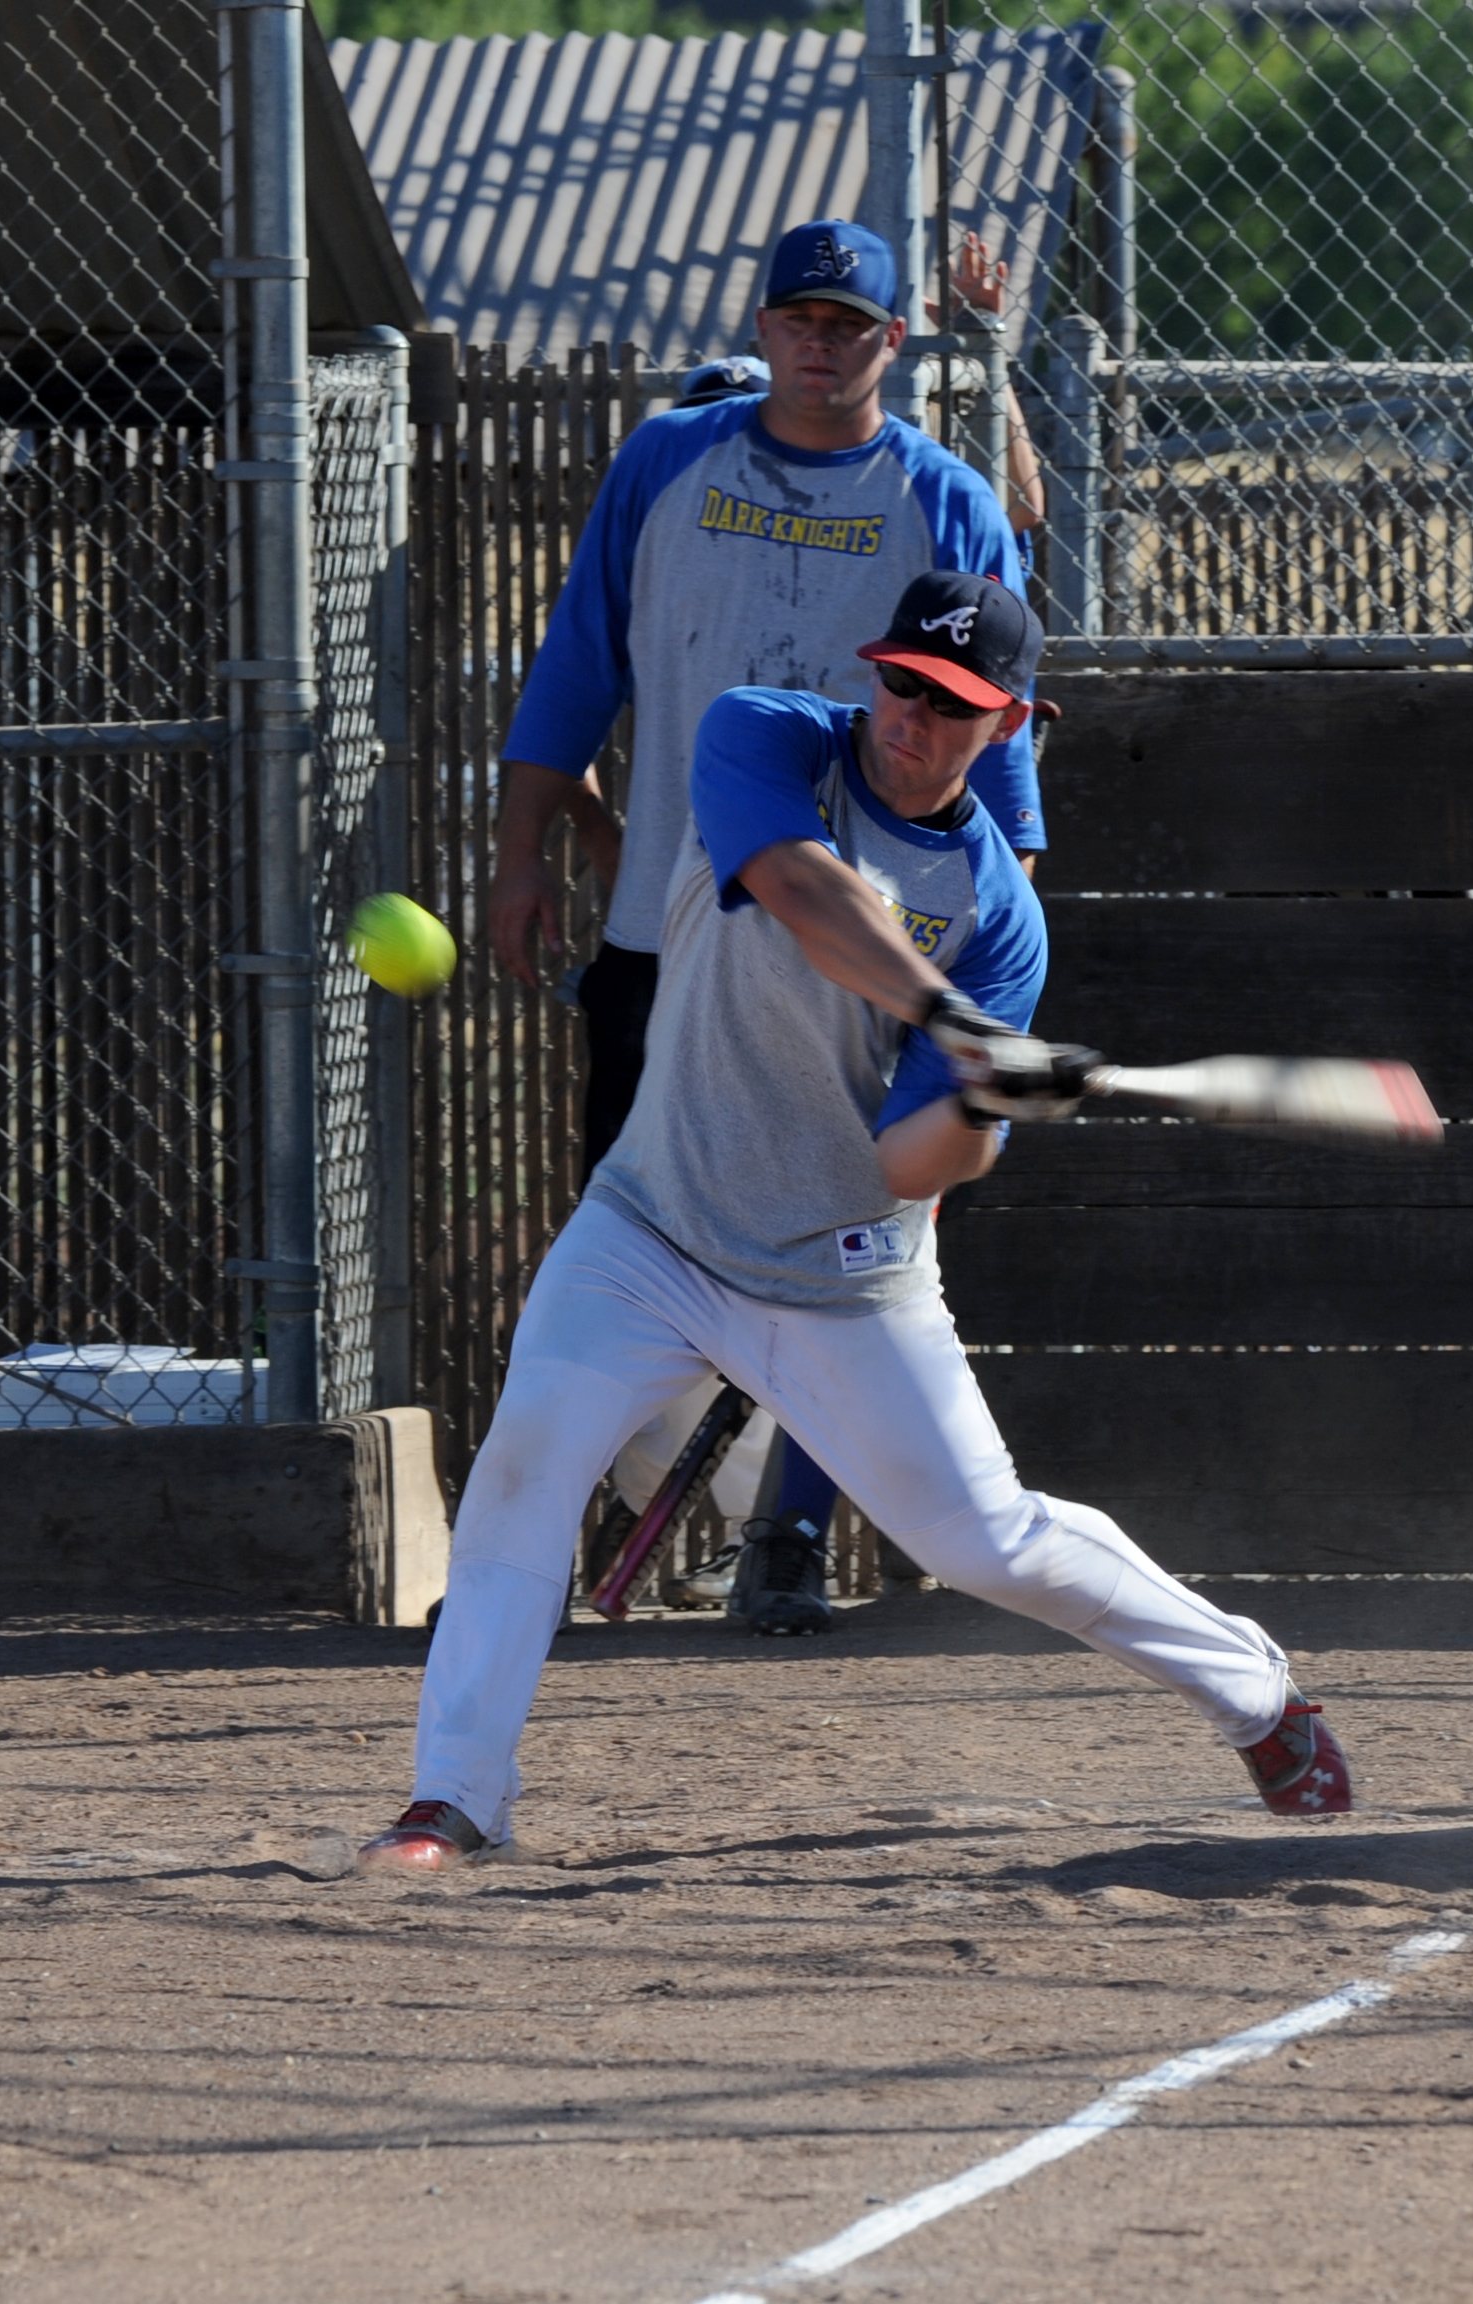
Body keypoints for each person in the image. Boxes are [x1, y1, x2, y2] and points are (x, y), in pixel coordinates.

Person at [357, 570, 1350, 1872]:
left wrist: (990, 1109)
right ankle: (455, 1799)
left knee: (983, 1541)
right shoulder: (760, 734)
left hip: (837, 1274)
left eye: (952, 704)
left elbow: (904, 1165)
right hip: (651, 1224)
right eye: (901, 682)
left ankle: (1260, 1700)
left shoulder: (1000, 919)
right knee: (525, 1465)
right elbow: (799, 889)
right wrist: (951, 1021)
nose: (912, 718)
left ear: (1009, 724)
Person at [489, 218, 1041, 1636]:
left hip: (867, 964)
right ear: (766, 322)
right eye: (796, 317)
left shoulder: (942, 495)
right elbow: (575, 663)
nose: (817, 341)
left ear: (887, 342)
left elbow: (1001, 752)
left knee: (861, 1233)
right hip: (665, 934)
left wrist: (989, 976)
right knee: (627, 1238)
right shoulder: (669, 462)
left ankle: (788, 1535)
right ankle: (542, 1550)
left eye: (846, 322)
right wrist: (520, 851)